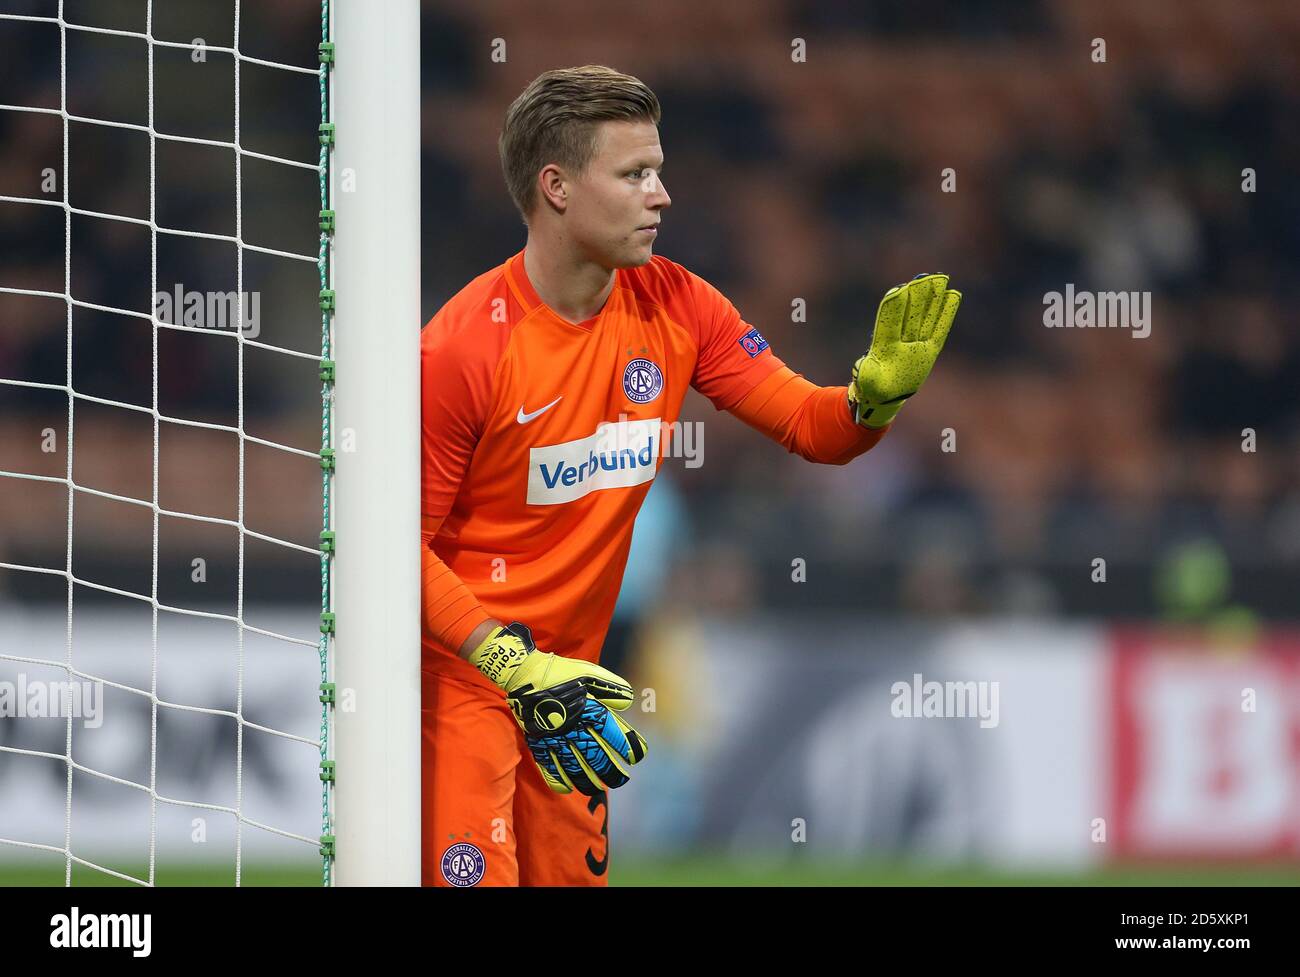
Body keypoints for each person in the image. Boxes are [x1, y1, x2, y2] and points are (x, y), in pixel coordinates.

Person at [420, 64, 960, 887]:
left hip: (577, 692)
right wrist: (507, 663)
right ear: (557, 187)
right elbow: (392, 549)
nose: (661, 194)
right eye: (635, 174)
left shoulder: (679, 305)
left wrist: (870, 401)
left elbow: (809, 427)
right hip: (466, 682)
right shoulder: (463, 348)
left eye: (659, 170)